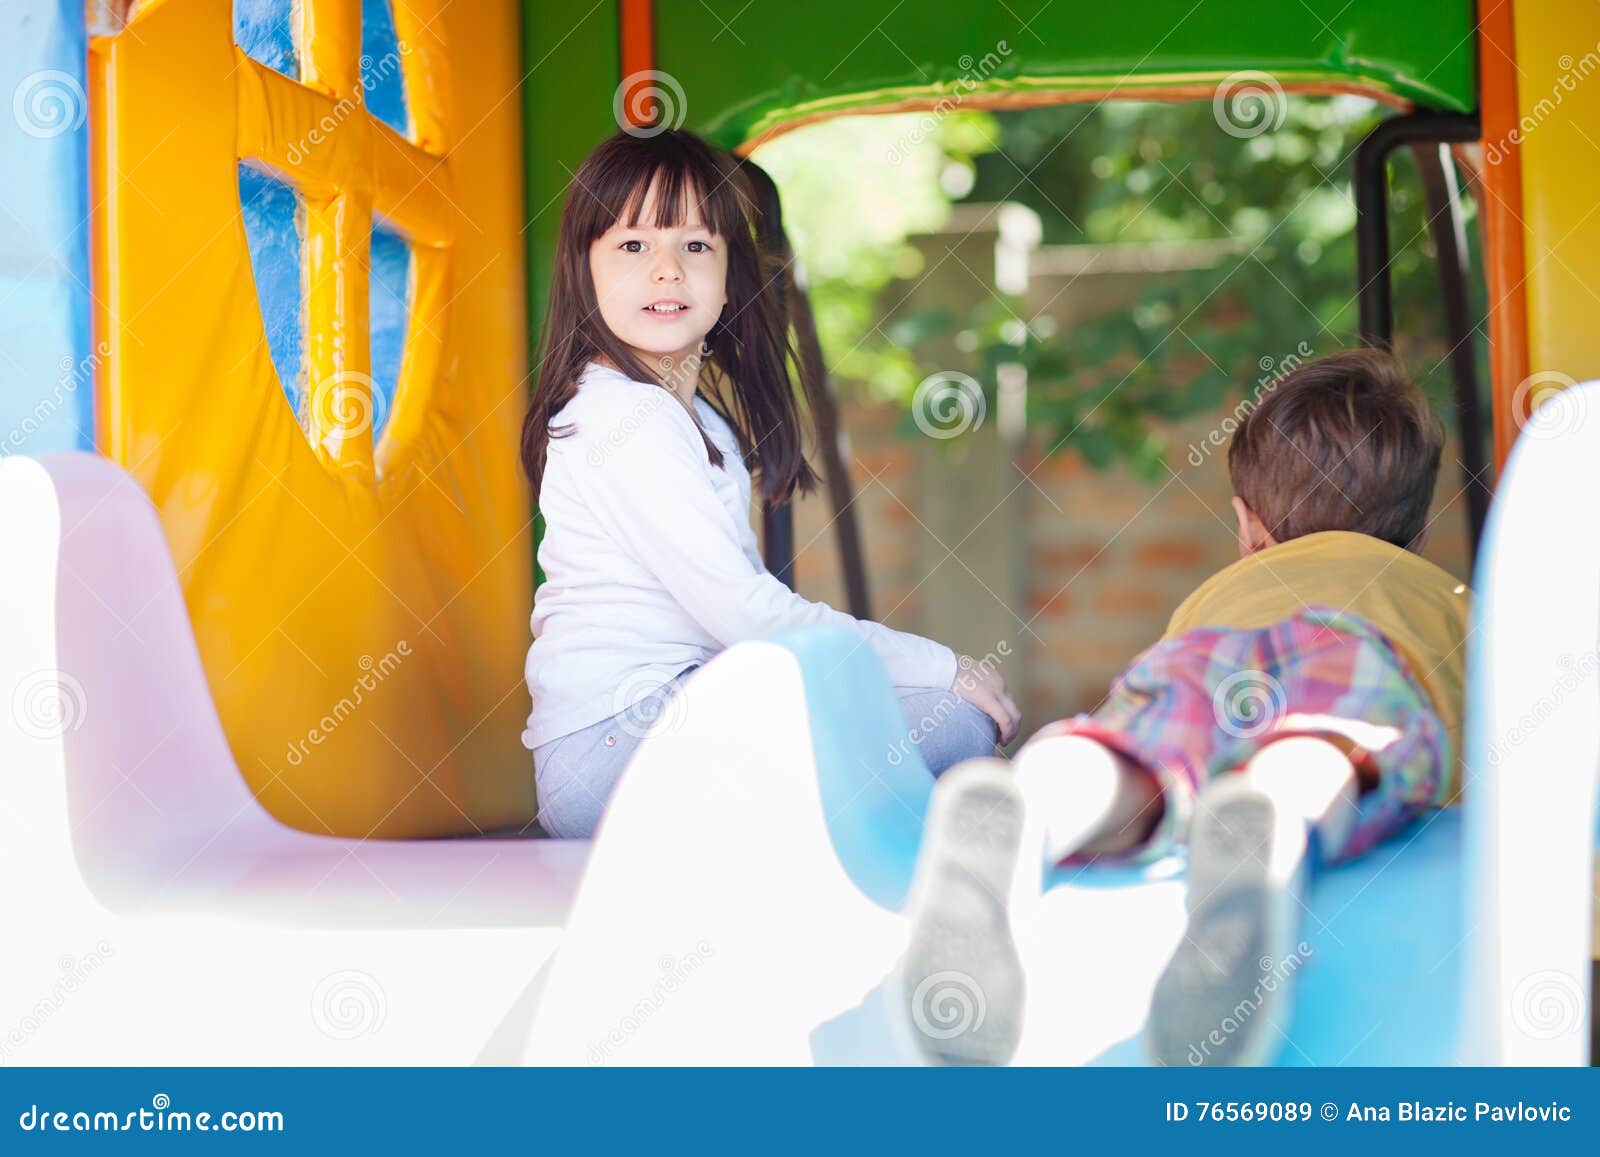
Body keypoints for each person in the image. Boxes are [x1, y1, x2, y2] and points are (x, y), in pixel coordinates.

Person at [898, 348, 1471, 1066]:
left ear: (1245, 525)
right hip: (1368, 651)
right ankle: (1274, 821)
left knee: (1138, 756)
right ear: (1418, 536)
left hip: (1213, 648)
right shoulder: (1444, 603)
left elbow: (1176, 729)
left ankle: (1036, 801)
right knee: (1322, 747)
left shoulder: (1215, 596)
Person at [519, 129, 1019, 839]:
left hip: (676, 722)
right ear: (583, 270)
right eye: (633, 246)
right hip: (610, 756)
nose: (666, 270)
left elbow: (744, 628)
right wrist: (943, 667)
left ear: (728, 276)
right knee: (951, 723)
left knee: (927, 724)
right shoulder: (618, 415)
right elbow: (749, 617)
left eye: (695, 246)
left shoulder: (695, 423)